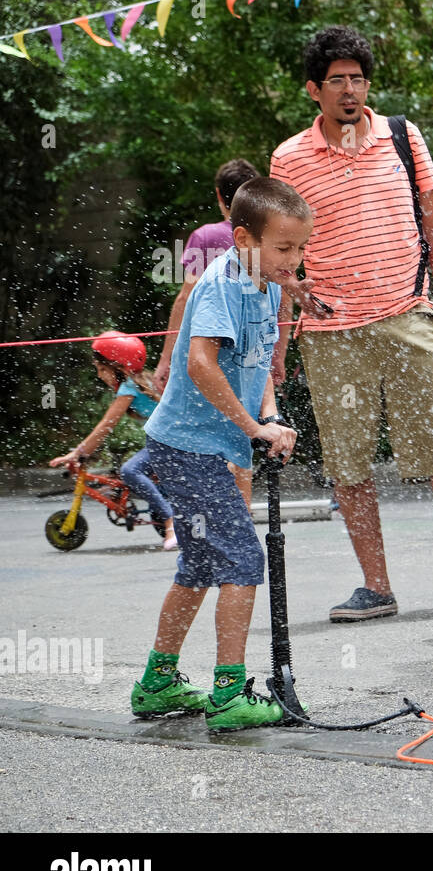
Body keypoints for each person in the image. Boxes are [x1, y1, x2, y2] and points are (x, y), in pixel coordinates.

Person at [270, 25, 433, 624]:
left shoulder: (402, 137)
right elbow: (282, 246)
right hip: (331, 335)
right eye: (336, 81)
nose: (349, 90)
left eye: (357, 78)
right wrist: (285, 311)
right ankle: (376, 588)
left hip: (411, 318)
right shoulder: (289, 156)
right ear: (314, 90)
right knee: (349, 467)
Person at [129, 177, 307, 731]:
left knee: (201, 564)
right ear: (243, 238)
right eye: (283, 248)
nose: (294, 260)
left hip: (202, 446)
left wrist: (270, 417)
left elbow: (259, 364)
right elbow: (200, 364)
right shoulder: (222, 283)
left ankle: (157, 682)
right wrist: (252, 426)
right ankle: (229, 695)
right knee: (242, 561)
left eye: (301, 248)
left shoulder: (270, 283)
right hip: (187, 445)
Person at [49, 331, 177, 550]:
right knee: (135, 472)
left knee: (130, 471)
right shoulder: (142, 382)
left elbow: (105, 426)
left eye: (102, 369)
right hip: (167, 439)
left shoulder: (129, 388)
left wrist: (78, 453)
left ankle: (170, 522)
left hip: (170, 441)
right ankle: (168, 510)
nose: (99, 375)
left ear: (118, 367)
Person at [156, 159, 262, 392]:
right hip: (255, 349)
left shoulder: (205, 237)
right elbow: (282, 300)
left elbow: (186, 298)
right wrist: (278, 356)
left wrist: (167, 359)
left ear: (218, 194)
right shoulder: (269, 239)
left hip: (211, 349)